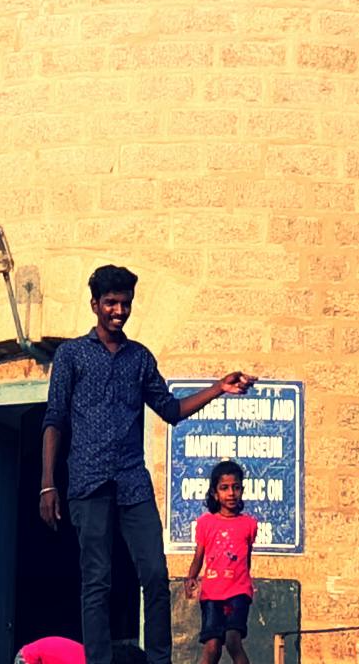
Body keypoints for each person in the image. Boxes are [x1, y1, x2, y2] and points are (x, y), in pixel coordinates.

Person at [41, 263, 259, 664]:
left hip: (132, 483)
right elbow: (54, 419)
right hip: (87, 483)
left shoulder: (139, 358)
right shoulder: (71, 355)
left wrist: (218, 389)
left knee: (156, 577)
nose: (118, 311)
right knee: (97, 582)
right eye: (110, 303)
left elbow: (171, 409)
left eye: (125, 303)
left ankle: (160, 660)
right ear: (95, 305)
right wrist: (47, 484)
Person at [191, 461, 259, 663]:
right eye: (225, 488)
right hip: (212, 594)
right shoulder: (206, 523)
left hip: (237, 593)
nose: (231, 493)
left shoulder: (248, 524)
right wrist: (190, 578)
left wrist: (245, 585)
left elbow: (246, 560)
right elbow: (199, 555)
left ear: (242, 490)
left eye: (236, 488)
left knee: (232, 641)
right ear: (215, 493)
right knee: (212, 647)